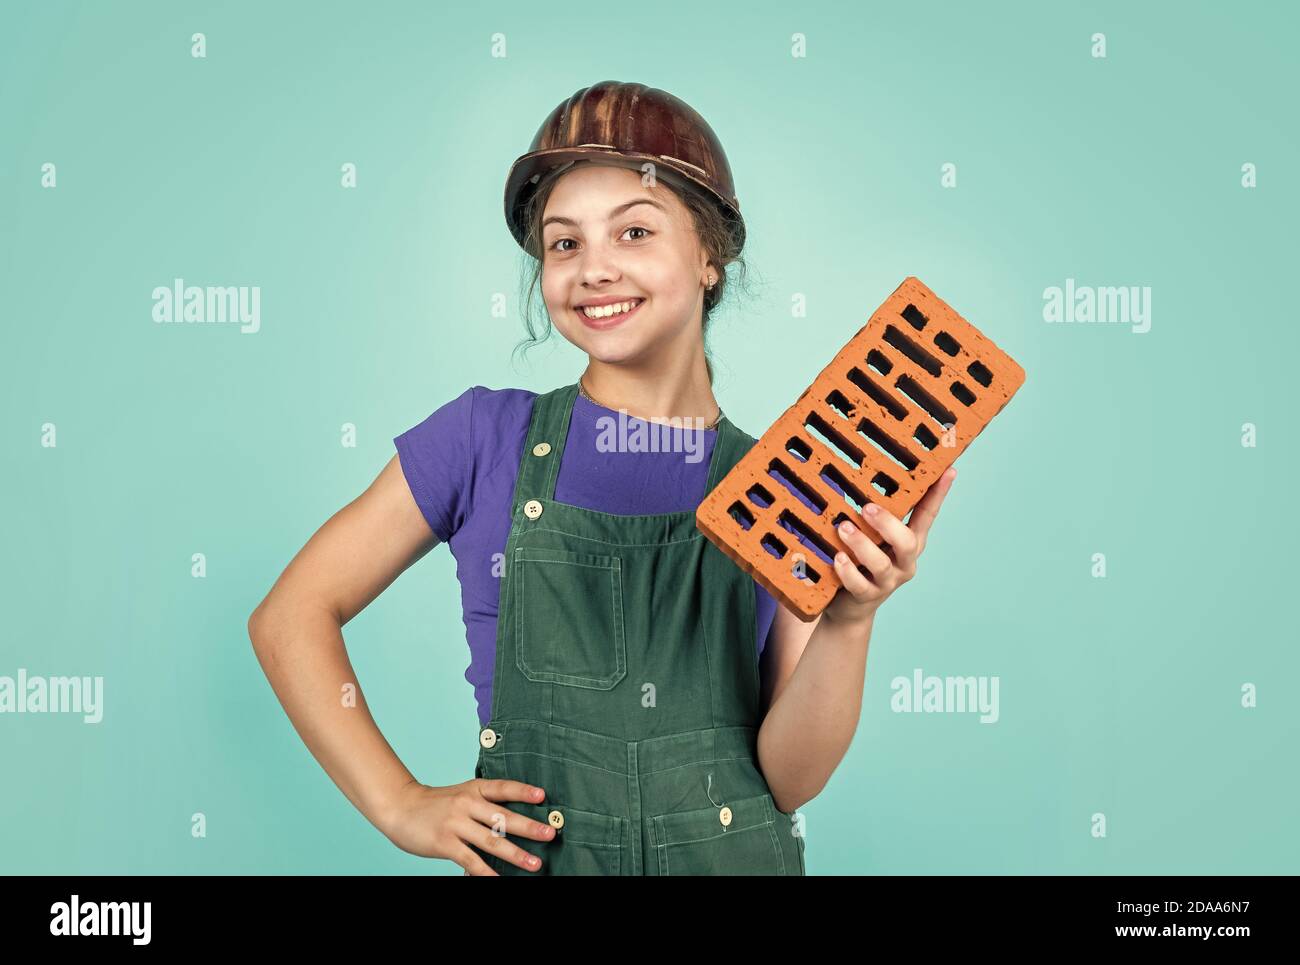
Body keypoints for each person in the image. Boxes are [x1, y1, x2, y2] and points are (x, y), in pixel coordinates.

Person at [248, 81, 957, 876]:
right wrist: (399, 804)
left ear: (709, 257)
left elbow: (789, 778)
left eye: (634, 231)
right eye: (565, 243)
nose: (594, 269)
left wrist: (850, 620)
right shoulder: (485, 440)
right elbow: (290, 616)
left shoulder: (785, 485)